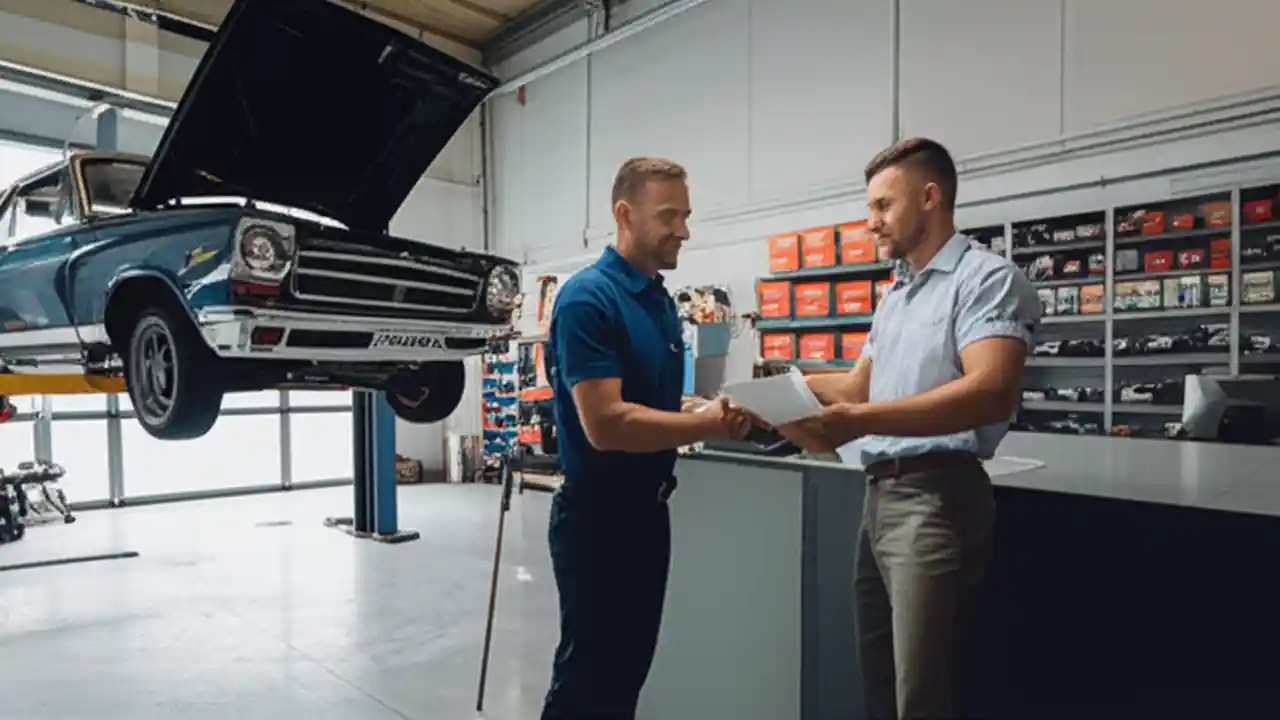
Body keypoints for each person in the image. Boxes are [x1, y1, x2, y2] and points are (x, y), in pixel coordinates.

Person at [775, 138, 1040, 719]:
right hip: (879, 498)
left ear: (930, 197)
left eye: (883, 205)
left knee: (922, 692)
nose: (871, 222)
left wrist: (859, 420)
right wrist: (777, 391)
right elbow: (856, 387)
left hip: (935, 499)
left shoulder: (985, 278)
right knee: (880, 681)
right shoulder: (897, 293)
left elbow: (990, 389)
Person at [540, 156, 752, 719]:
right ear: (624, 214)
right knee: (587, 684)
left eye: (686, 215)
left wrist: (701, 407)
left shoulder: (657, 299)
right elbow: (607, 424)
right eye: (669, 216)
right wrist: (708, 424)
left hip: (648, 514)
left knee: (625, 676)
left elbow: (650, 403)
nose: (684, 230)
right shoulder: (588, 299)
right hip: (598, 523)